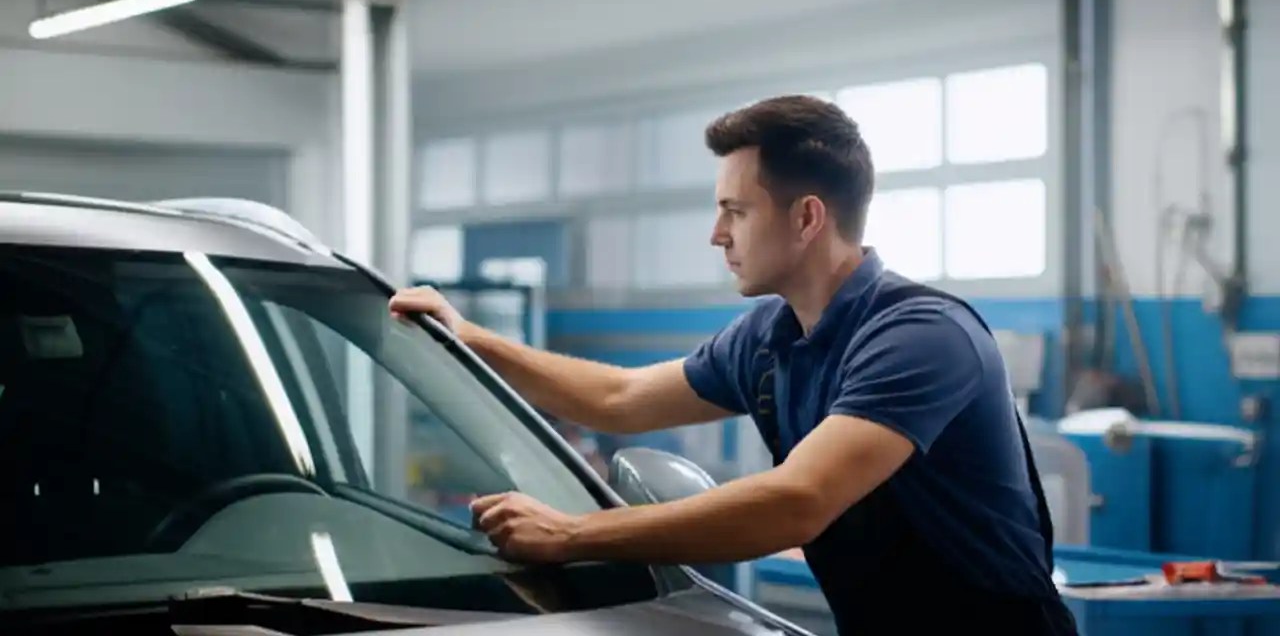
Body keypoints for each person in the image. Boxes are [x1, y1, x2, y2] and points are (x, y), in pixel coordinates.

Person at [389, 95, 1079, 634]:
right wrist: (471, 338)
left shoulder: (921, 335)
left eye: (735, 211)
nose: (717, 234)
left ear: (807, 218)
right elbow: (621, 397)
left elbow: (796, 502)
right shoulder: (769, 339)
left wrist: (571, 535)